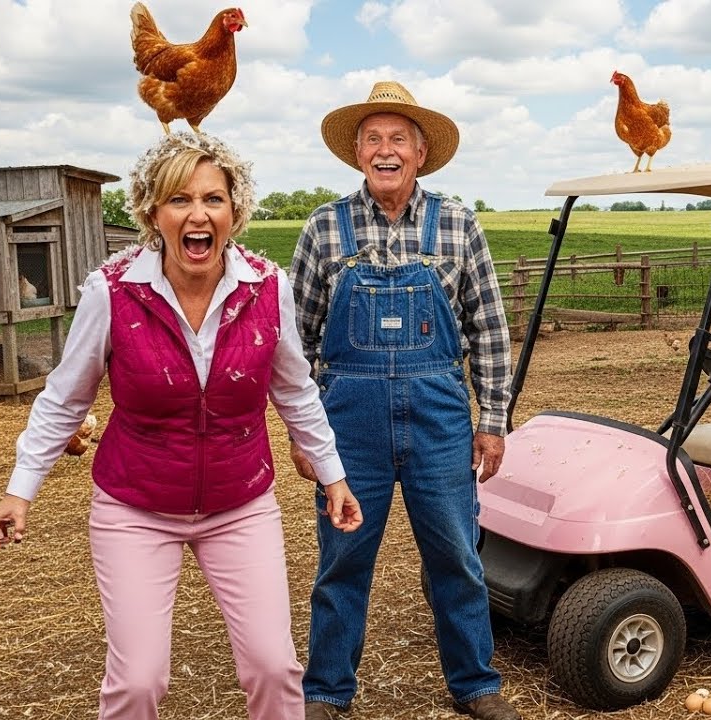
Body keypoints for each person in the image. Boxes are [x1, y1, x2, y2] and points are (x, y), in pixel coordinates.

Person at [0, 131, 363, 720]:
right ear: (152, 212)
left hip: (240, 503)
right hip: (135, 505)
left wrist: (333, 477)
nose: (197, 214)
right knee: (137, 682)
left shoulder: (266, 287)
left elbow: (295, 391)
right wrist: (19, 491)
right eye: (179, 200)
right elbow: (64, 398)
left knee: (273, 667)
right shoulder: (114, 292)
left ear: (235, 211)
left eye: (213, 199)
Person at [289, 81, 519, 720]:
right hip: (348, 424)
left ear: (420, 153)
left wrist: (493, 421)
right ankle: (327, 690)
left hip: (439, 418)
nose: (384, 151)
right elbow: (296, 341)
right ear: (357, 153)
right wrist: (305, 432)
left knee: (455, 553)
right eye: (373, 140)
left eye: (397, 140)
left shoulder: (458, 223)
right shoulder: (322, 229)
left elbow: (488, 328)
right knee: (343, 559)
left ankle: (475, 683)